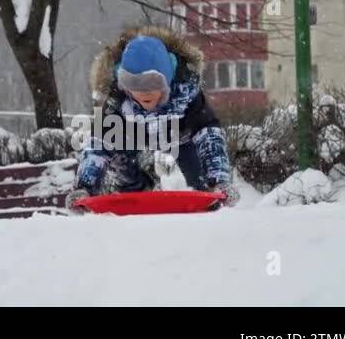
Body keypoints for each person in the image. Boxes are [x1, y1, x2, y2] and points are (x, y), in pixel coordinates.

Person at [66, 26, 240, 212]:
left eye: (152, 84)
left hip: (179, 136)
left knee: (197, 169)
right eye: (134, 85)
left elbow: (209, 135)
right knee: (121, 158)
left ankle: (206, 190)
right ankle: (134, 188)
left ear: (167, 80)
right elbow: (98, 145)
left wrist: (220, 180)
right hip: (131, 137)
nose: (142, 93)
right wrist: (84, 187)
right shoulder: (117, 100)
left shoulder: (187, 94)